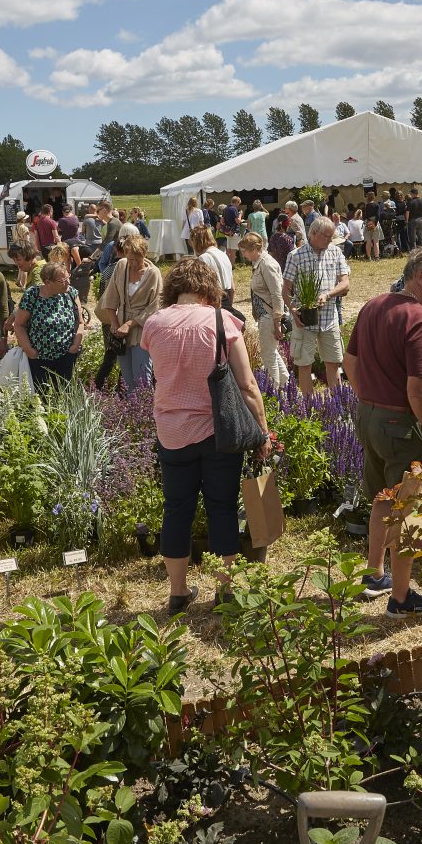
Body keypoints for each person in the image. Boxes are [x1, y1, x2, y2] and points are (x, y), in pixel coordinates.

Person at [140, 258, 271, 613]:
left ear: (173, 288)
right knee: (222, 507)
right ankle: (225, 591)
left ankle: (178, 593)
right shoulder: (222, 320)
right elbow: (247, 384)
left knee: (176, 509)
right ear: (208, 288)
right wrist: (261, 430)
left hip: (171, 430)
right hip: (218, 430)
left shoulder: (154, 324)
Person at [345, 247, 422, 617]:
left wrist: (368, 398)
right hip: (400, 425)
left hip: (369, 415)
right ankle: (402, 598)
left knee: (382, 498)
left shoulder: (373, 305)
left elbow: (350, 361)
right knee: (409, 508)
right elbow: (419, 391)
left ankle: (374, 574)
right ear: (420, 276)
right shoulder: (421, 321)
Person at [283, 218, 351, 397]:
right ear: (313, 234)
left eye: (332, 236)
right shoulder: (296, 255)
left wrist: (328, 295)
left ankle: (337, 404)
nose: (330, 240)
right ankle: (308, 405)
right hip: (304, 321)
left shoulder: (335, 252)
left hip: (329, 319)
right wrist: (293, 311)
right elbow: (286, 289)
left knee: (334, 362)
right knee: (304, 364)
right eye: (327, 236)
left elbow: (345, 283)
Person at [97, 232, 161, 391]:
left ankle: (145, 412)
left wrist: (130, 324)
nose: (132, 263)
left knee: (142, 375)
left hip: (142, 328)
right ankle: (132, 411)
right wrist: (114, 322)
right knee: (126, 376)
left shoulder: (153, 273)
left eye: (137, 260)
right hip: (120, 328)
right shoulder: (121, 266)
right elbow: (111, 295)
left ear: (144, 255)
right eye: (130, 258)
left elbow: (155, 307)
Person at [15, 261, 88, 387]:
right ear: (48, 282)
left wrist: (75, 345)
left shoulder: (71, 293)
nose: (68, 283)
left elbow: (80, 322)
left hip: (66, 356)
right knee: (41, 398)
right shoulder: (32, 294)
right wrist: (29, 350)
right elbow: (19, 325)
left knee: (64, 395)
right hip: (39, 358)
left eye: (68, 277)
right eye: (62, 281)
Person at [237, 233, 288, 388]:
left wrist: (277, 321)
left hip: (269, 315)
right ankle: (286, 383)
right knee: (271, 351)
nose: (243, 254)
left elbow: (277, 293)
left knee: (268, 354)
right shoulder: (259, 263)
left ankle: (274, 387)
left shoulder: (267, 264)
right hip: (264, 315)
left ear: (255, 249)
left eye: (245, 251)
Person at [191, 226, 234, 309]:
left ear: (196, 241)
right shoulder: (223, 255)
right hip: (227, 299)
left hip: (213, 300)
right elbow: (232, 288)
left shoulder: (203, 258)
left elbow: (202, 288)